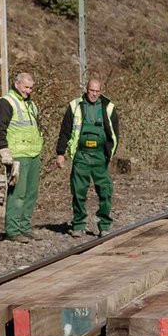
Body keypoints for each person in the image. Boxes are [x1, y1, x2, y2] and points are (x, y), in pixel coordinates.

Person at [55, 78, 120, 238]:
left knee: (105, 191)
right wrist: (60, 153)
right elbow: (65, 131)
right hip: (81, 155)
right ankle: (78, 225)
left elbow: (115, 134)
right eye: (92, 91)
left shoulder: (108, 107)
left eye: (97, 91)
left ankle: (104, 225)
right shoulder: (75, 106)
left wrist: (109, 154)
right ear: (87, 89)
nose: (94, 94)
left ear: (101, 91)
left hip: (100, 156)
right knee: (78, 191)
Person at [0, 71, 43, 243]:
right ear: (17, 84)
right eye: (26, 87)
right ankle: (13, 230)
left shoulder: (30, 105)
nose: (28, 91)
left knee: (30, 193)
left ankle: (25, 227)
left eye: (31, 88)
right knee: (17, 194)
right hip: (17, 156)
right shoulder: (6, 103)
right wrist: (4, 151)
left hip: (33, 153)